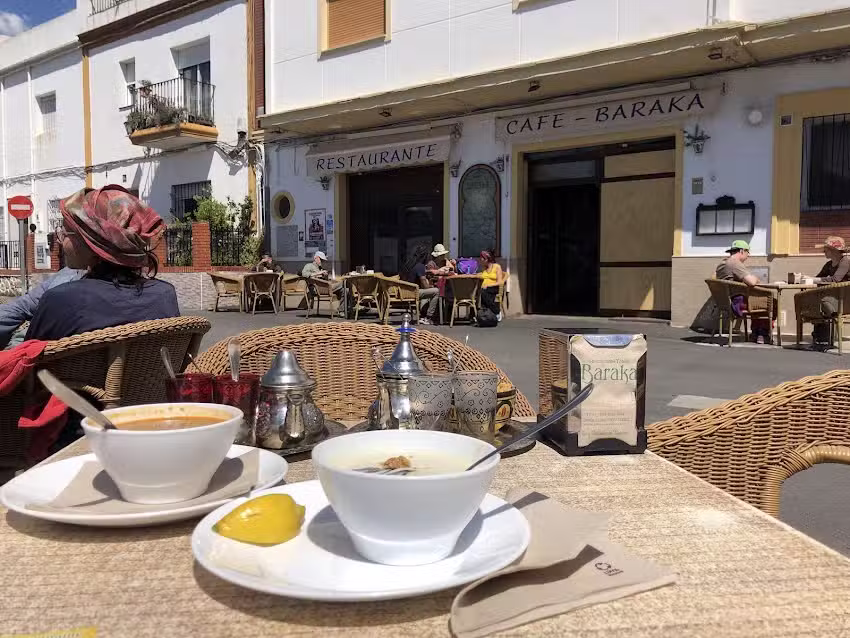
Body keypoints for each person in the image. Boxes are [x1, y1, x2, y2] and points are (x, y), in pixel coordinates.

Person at [25, 185, 179, 342]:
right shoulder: (165, 294)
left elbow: (27, 355)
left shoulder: (61, 301)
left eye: (65, 233)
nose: (60, 240)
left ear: (92, 242)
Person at [0, 267, 85, 349]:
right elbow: (25, 304)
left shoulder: (89, 287)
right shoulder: (68, 272)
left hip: (43, 347)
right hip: (25, 336)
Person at [715, 239, 771, 344]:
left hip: (726, 302)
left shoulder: (722, 264)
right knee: (771, 303)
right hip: (737, 303)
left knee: (759, 301)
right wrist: (756, 278)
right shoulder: (735, 263)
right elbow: (752, 282)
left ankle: (755, 333)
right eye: (747, 252)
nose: (748, 255)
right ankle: (762, 334)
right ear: (741, 251)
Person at [808, 236, 850, 345]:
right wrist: (805, 278)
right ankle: (821, 337)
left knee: (822, 303)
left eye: (826, 249)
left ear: (833, 250)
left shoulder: (846, 261)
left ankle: (823, 337)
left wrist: (814, 280)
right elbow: (818, 277)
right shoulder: (829, 265)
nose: (823, 252)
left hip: (845, 300)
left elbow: (835, 279)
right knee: (813, 301)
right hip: (834, 298)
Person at [401, 244, 440, 325]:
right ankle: (428, 317)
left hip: (405, 291)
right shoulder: (420, 266)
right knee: (436, 291)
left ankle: (423, 314)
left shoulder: (409, 264)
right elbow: (425, 286)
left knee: (427, 293)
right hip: (413, 292)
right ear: (424, 256)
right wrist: (432, 285)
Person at [478, 250, 503, 317]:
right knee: (478, 293)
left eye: (481, 258)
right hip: (484, 288)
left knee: (484, 292)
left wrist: (488, 285)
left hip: (494, 287)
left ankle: (496, 311)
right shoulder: (484, 268)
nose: (480, 260)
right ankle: (482, 315)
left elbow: (499, 282)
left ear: (486, 259)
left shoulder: (497, 267)